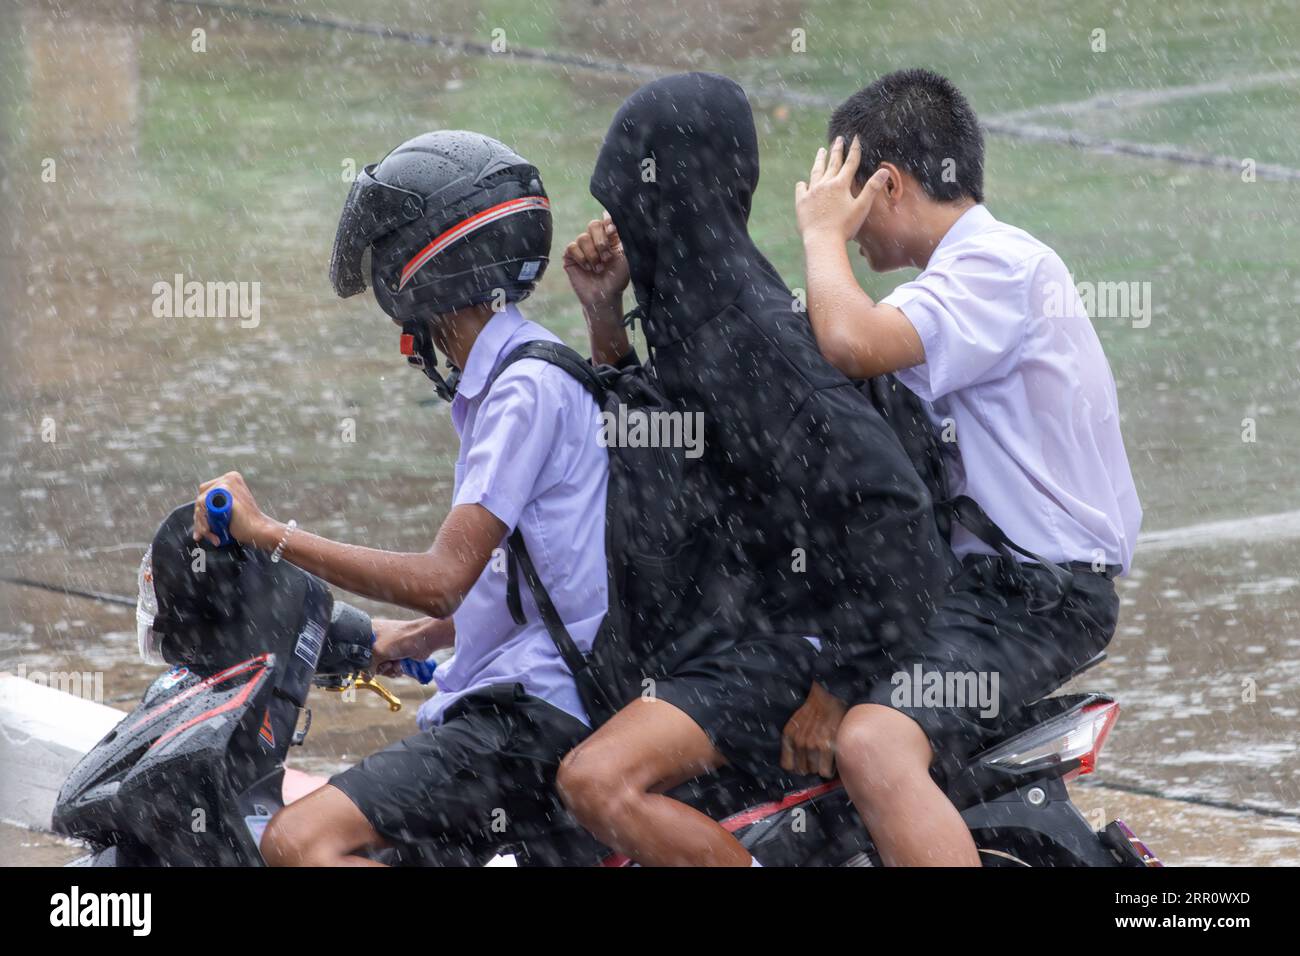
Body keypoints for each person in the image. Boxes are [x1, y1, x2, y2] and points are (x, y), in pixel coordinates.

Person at [554, 72, 952, 866]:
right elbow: (660, 461)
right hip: (726, 631)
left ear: (679, 198)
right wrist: (604, 314)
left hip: (789, 646)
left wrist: (836, 688)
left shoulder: (751, 335)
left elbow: (890, 505)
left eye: (635, 199)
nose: (625, 220)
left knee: (596, 783)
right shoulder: (698, 318)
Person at [192, 131, 609, 866]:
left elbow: (443, 579)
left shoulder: (523, 390)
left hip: (532, 718)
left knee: (300, 842)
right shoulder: (520, 375)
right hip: (524, 701)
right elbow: (545, 568)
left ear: (422, 271)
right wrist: (419, 640)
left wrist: (265, 533)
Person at [792, 68, 1142, 865]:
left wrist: (817, 238)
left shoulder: (999, 270)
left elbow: (850, 344)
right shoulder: (957, 281)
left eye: (849, 200)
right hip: (987, 589)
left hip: (1036, 595)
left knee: (875, 745)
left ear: (887, 184)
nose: (847, 227)